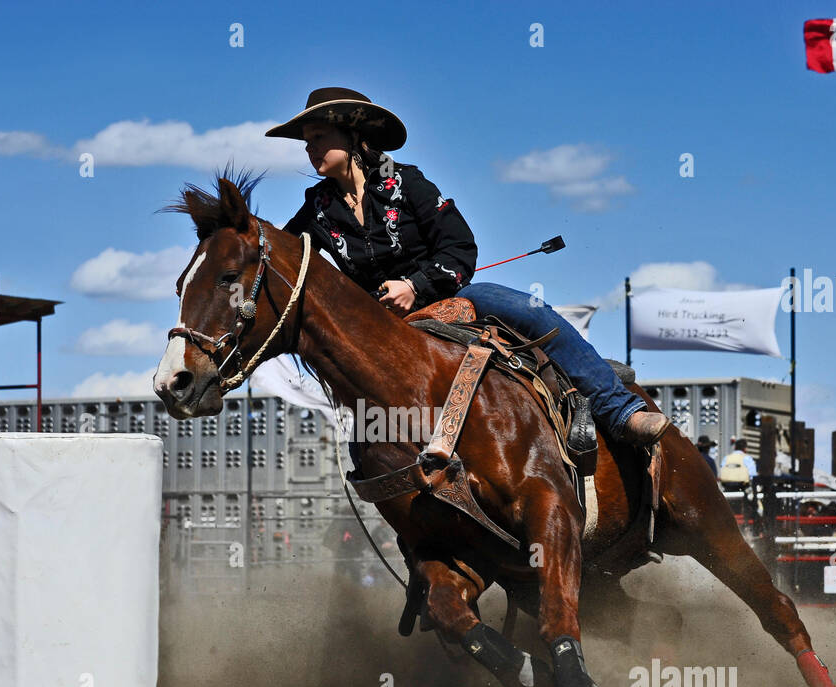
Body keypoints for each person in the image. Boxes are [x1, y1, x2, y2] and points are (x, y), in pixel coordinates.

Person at [268, 87, 670, 447]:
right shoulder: (318, 206)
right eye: (307, 142)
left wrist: (413, 285)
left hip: (449, 293)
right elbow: (286, 256)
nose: (310, 149)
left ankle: (618, 409)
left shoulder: (406, 182)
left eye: (319, 138)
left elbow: (460, 248)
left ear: (354, 136)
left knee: (530, 311)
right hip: (377, 323)